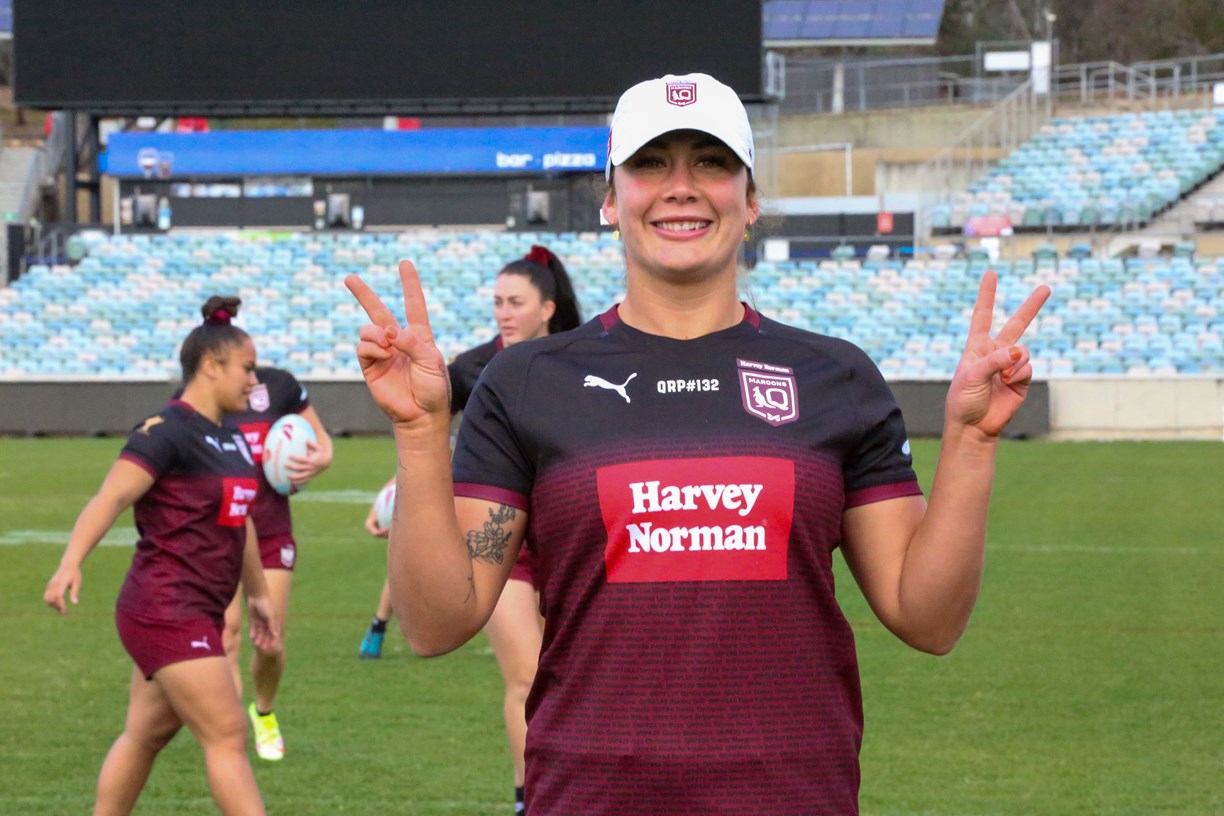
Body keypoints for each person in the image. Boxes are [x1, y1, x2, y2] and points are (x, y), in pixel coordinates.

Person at [344, 71, 1050, 816]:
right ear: (611, 201)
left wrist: (971, 440)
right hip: (589, 797)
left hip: (794, 797)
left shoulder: (835, 375)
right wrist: (419, 434)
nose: (681, 187)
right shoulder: (526, 381)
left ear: (750, 201)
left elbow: (928, 619)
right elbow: (436, 624)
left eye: (711, 162)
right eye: (651, 164)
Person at [355, 245, 581, 815]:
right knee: (526, 676)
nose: (503, 312)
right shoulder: (476, 367)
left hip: (568, 536)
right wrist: (398, 501)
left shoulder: (582, 362)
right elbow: (425, 427)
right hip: (498, 535)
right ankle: (527, 799)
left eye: (515, 302)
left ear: (548, 308)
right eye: (497, 302)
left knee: (573, 677)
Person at [43, 296, 282, 816]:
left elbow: (238, 520)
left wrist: (259, 596)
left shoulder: (231, 437)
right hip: (165, 608)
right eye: (246, 368)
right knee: (227, 732)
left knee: (145, 734)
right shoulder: (168, 430)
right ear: (211, 365)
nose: (253, 380)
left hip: (193, 609)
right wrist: (69, 562)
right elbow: (111, 497)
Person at [220, 335, 334, 763]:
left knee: (269, 642)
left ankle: (263, 712)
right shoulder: (202, 395)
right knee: (227, 634)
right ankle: (230, 731)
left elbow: (323, 445)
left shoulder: (279, 385)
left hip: (270, 533)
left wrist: (318, 460)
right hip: (221, 531)